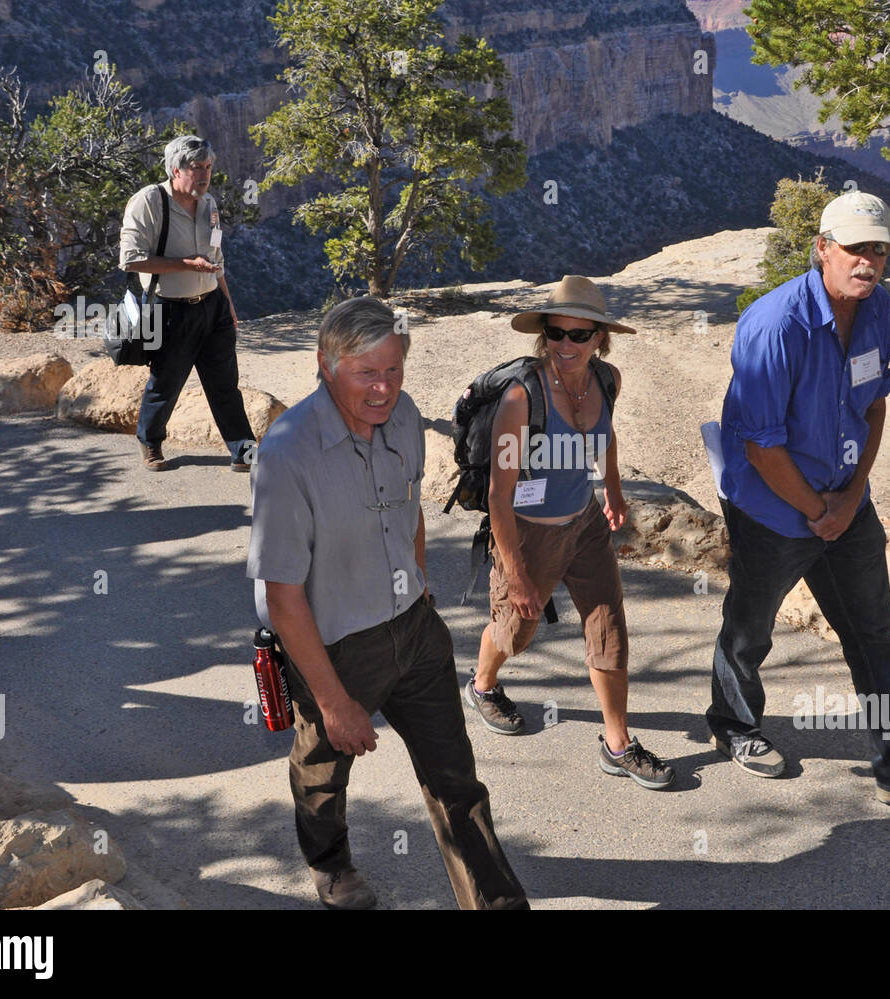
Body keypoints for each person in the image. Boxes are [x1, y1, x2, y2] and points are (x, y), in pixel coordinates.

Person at [246, 296, 527, 910]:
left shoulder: (406, 419)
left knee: (456, 778)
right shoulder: (287, 453)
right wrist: (332, 700)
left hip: (415, 631)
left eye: (393, 371)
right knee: (322, 773)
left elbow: (411, 510)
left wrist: (417, 579)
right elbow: (283, 595)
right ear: (326, 365)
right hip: (333, 644)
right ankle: (331, 865)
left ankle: (495, 903)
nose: (383, 389)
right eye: (366, 373)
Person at [707, 191, 890, 807]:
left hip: (846, 501)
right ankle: (733, 723)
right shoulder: (775, 325)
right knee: (751, 625)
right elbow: (759, 445)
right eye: (856, 249)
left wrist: (851, 495)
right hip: (772, 506)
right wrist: (815, 510)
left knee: (873, 634)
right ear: (822, 249)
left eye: (879, 250)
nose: (869, 262)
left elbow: (874, 403)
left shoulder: (878, 308)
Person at [463, 275, 675, 791]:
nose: (565, 345)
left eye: (579, 336)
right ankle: (483, 684)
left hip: (584, 522)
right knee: (515, 633)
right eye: (556, 333)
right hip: (528, 531)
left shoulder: (608, 380)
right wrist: (516, 576)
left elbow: (605, 438)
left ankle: (617, 743)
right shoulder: (521, 398)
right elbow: (498, 497)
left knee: (608, 624)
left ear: (601, 337)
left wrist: (613, 493)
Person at [120, 135, 256, 472]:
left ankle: (244, 451)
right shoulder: (149, 203)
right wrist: (185, 264)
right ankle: (149, 441)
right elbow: (131, 260)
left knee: (225, 383)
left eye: (208, 167)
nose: (205, 174)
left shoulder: (209, 203)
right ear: (174, 170)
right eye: (197, 168)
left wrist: (228, 302)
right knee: (166, 382)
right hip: (169, 310)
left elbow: (216, 256)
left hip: (213, 306)